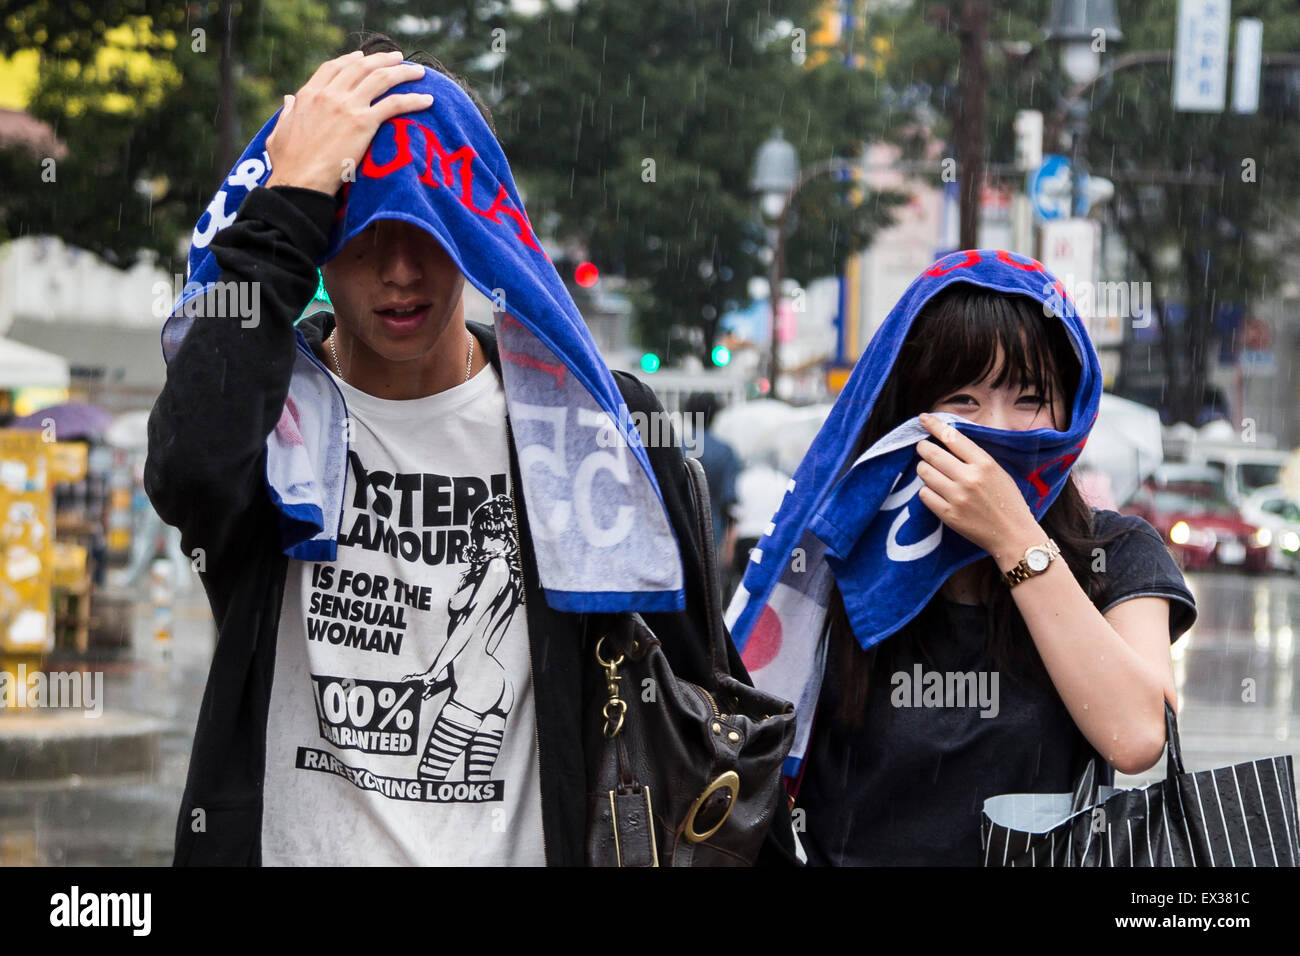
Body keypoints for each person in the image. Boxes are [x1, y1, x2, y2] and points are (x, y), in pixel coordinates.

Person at [146, 34, 794, 865]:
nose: (401, 271)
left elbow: (698, 688)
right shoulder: (277, 415)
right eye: (357, 229)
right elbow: (187, 469)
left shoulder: (582, 420)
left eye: (429, 224)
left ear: (474, 221)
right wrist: (285, 200)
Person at [724, 251, 1197, 866]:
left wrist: (1013, 538)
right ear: (906, 414)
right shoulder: (831, 556)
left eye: (1030, 398)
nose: (995, 431)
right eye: (963, 401)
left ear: (1070, 412)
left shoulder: (1117, 553)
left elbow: (1135, 737)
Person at [683, 392, 742, 589]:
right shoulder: (726, 451)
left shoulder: (674, 446)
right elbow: (730, 502)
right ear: (715, 415)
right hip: (712, 535)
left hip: (678, 533)